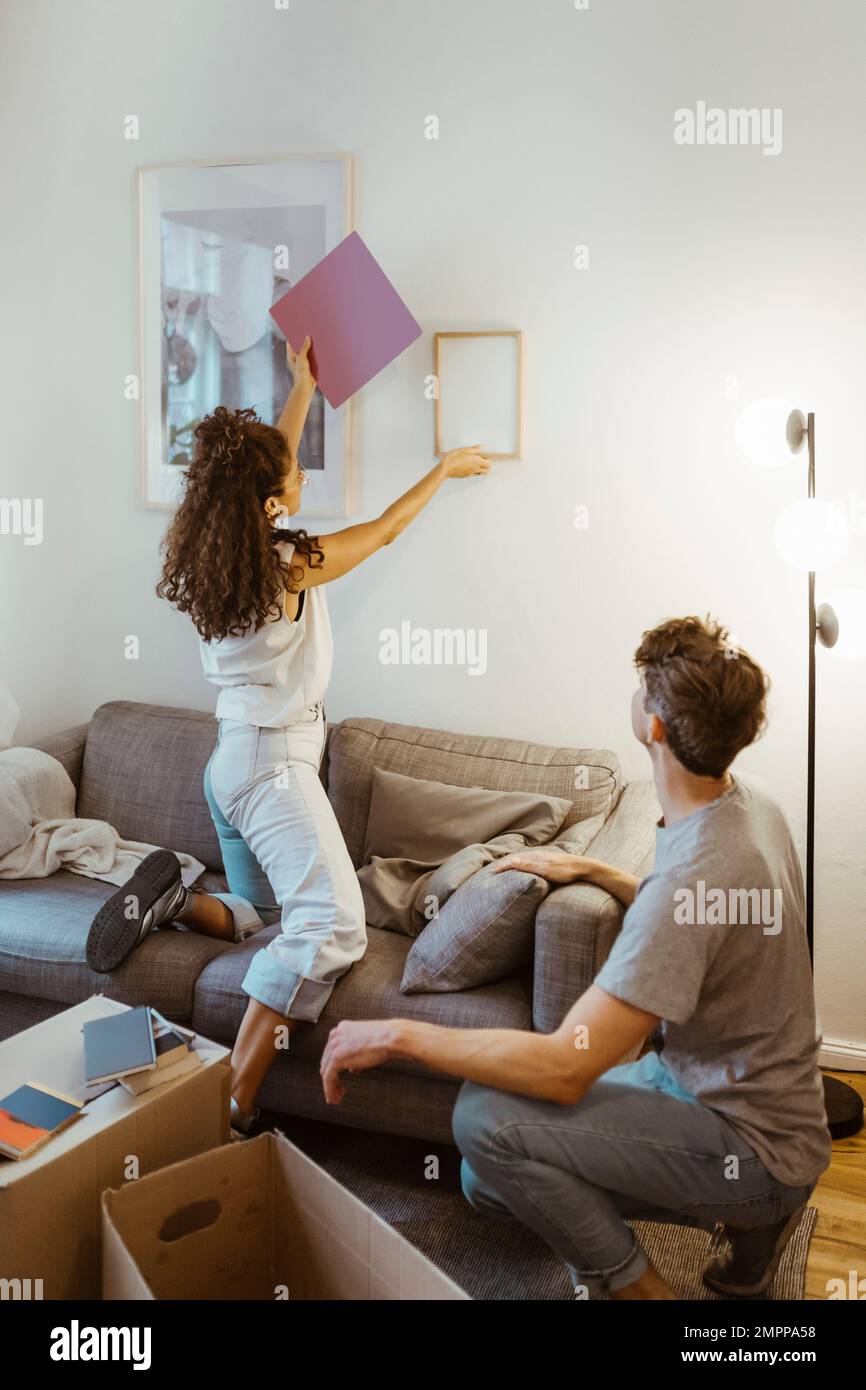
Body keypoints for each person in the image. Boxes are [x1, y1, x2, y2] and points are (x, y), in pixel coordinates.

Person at [319, 616, 831, 1299]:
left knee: (483, 1121)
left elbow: (565, 1069)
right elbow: (710, 915)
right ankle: (750, 1237)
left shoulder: (689, 881)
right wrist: (598, 871)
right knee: (483, 1176)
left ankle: (643, 1289)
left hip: (750, 1145)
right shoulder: (748, 803)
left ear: (653, 725)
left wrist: (395, 1033)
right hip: (766, 1109)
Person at [85, 337, 489, 1132]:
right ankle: (235, 1097)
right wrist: (442, 470)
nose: (304, 478)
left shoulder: (215, 553)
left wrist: (304, 385)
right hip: (271, 768)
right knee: (331, 927)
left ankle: (174, 901)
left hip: (230, 763)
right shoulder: (288, 565)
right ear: (271, 505)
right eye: (295, 478)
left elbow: (265, 465)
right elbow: (382, 531)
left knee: (263, 915)